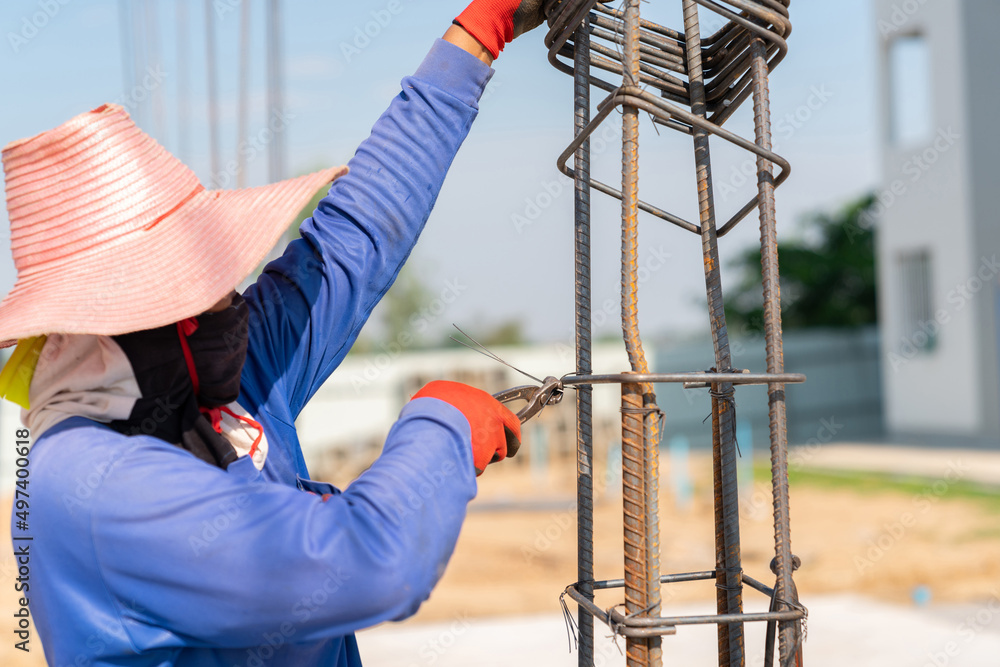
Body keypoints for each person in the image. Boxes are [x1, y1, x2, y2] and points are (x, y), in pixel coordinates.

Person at [0, 2, 546, 665]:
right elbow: (368, 563)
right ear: (151, 315)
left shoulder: (197, 386)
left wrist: (476, 38)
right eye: (214, 284)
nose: (237, 302)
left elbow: (353, 239)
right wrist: (440, 427)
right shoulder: (94, 486)